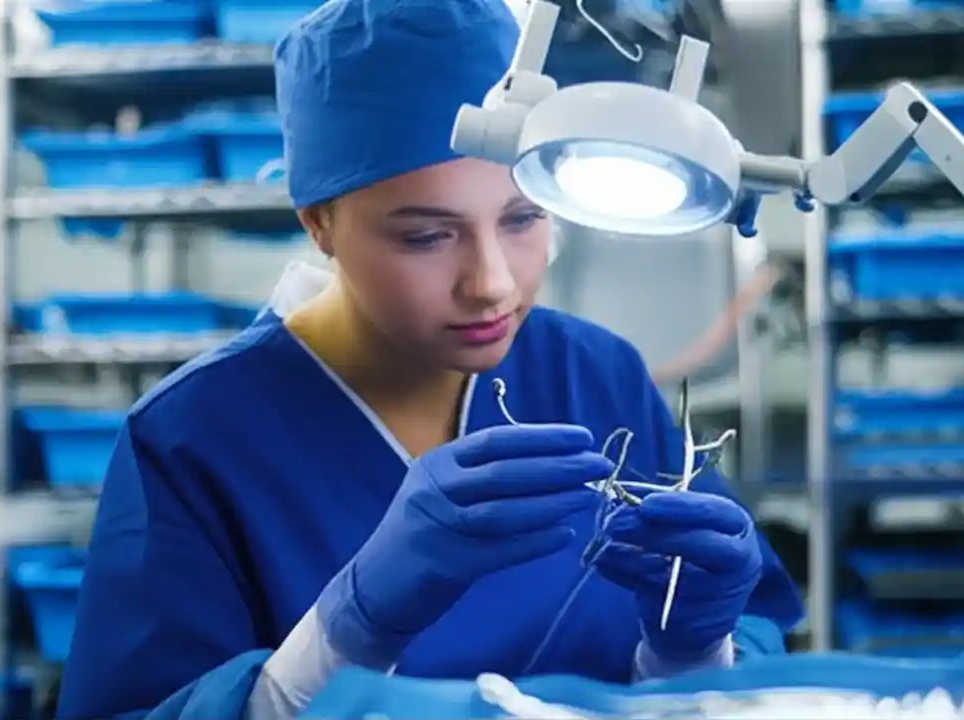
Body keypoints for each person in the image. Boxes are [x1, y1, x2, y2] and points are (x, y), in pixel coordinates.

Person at [55, 0, 803, 718]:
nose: (493, 285)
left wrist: (691, 654)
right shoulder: (194, 440)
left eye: (524, 218)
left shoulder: (597, 377)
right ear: (319, 222)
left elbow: (749, 655)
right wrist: (346, 632)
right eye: (426, 237)